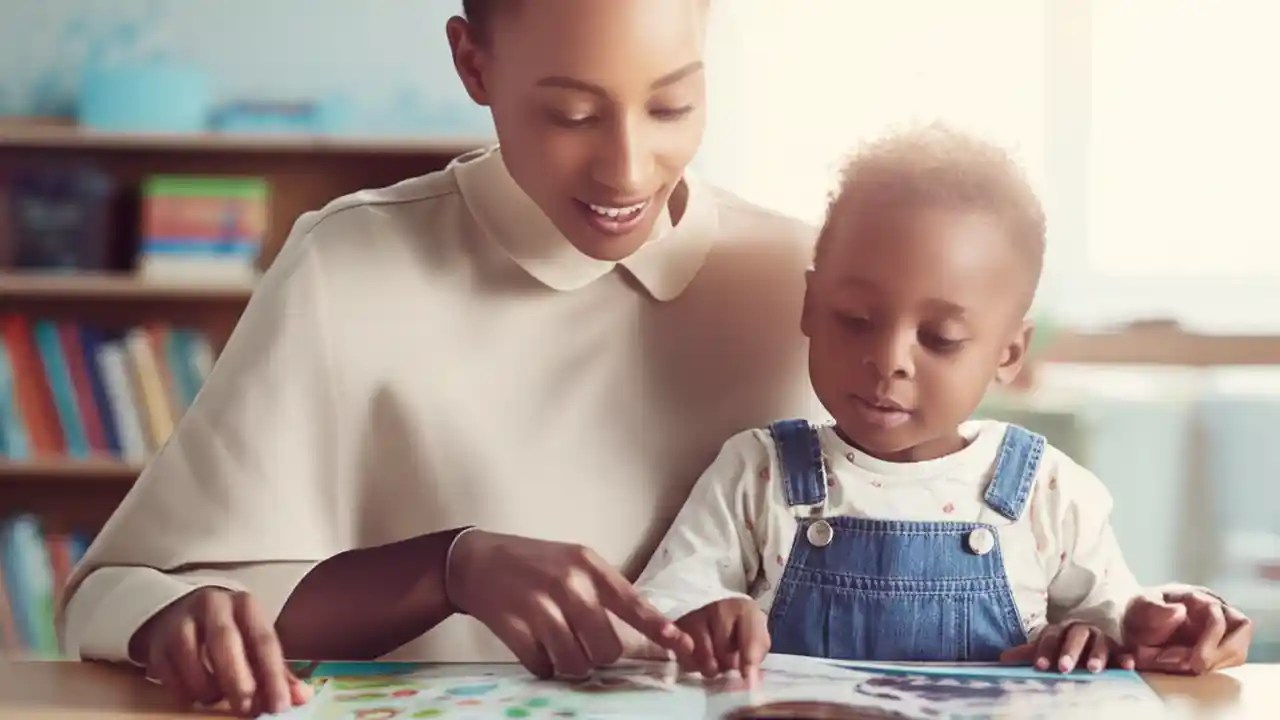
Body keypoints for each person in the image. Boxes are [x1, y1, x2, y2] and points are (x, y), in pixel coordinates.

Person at [56, 1, 1252, 717]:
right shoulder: (347, 267)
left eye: (673, 103)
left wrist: (1155, 627)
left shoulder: (823, 291)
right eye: (570, 113)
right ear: (472, 65)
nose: (627, 169)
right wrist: (445, 567)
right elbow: (117, 595)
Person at [634, 127, 1255, 680]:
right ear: (810, 305)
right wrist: (708, 620)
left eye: (941, 339)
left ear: (1008, 353)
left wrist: (1148, 625)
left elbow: (1119, 622)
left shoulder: (1046, 493)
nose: (890, 359)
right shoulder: (758, 474)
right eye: (854, 319)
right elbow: (654, 619)